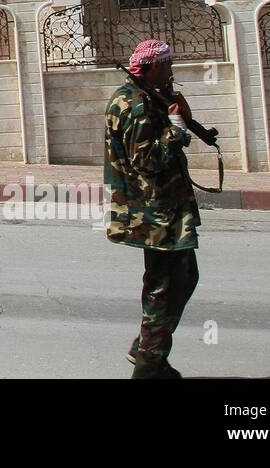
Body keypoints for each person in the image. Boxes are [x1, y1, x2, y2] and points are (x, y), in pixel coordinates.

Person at [105, 39, 200, 379]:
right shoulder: (136, 105)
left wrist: (177, 114)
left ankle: (149, 351)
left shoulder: (147, 97)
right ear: (153, 66)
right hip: (155, 212)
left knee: (183, 278)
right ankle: (148, 365)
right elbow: (145, 160)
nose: (172, 69)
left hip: (166, 207)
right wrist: (176, 130)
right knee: (165, 285)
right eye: (168, 64)